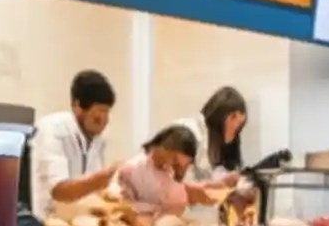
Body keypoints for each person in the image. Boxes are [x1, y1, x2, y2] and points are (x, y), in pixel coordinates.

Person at [30, 70, 120, 217]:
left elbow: (93, 192)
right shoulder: (53, 130)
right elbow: (59, 191)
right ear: (77, 106)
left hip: (80, 222)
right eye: (98, 113)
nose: (104, 121)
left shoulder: (97, 139)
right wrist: (102, 177)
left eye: (107, 112)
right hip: (47, 223)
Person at [116, 124, 211, 217]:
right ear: (165, 146)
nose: (172, 166)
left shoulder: (169, 172)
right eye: (174, 160)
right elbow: (122, 205)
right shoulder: (131, 169)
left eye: (178, 165)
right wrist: (156, 209)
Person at [177, 86, 248, 187]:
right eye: (238, 127)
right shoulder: (192, 132)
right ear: (230, 117)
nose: (235, 134)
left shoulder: (212, 141)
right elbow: (183, 185)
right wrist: (217, 184)